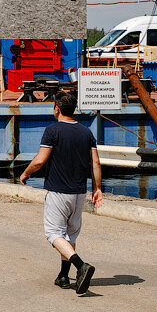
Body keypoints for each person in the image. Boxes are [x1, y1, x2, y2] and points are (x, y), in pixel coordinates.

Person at [19, 91, 104, 294]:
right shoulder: (86, 133)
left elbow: (40, 160)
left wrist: (25, 173)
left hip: (58, 191)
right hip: (79, 193)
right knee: (70, 234)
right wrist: (97, 188)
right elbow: (96, 163)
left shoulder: (52, 131)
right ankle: (64, 276)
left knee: (53, 234)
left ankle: (80, 266)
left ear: (56, 109)